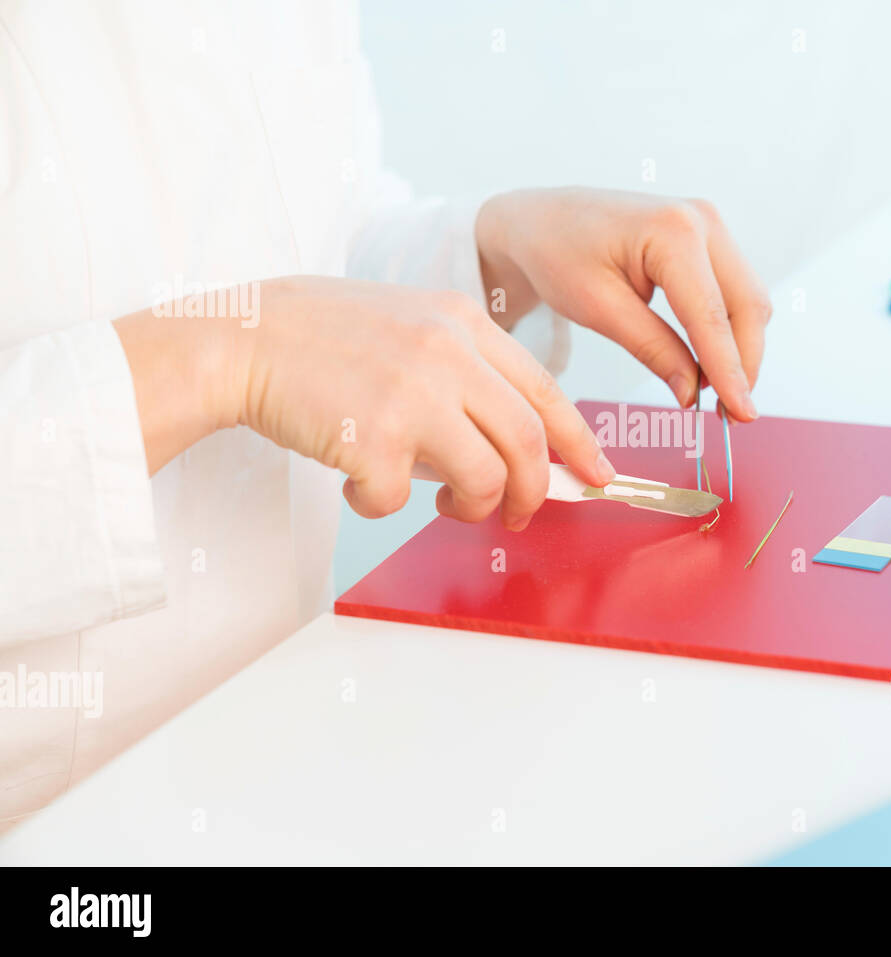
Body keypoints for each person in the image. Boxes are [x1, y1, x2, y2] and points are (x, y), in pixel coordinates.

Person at [0, 0, 769, 825]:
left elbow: (308, 248)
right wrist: (222, 355)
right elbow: (271, 326)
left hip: (270, 750)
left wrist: (494, 255)